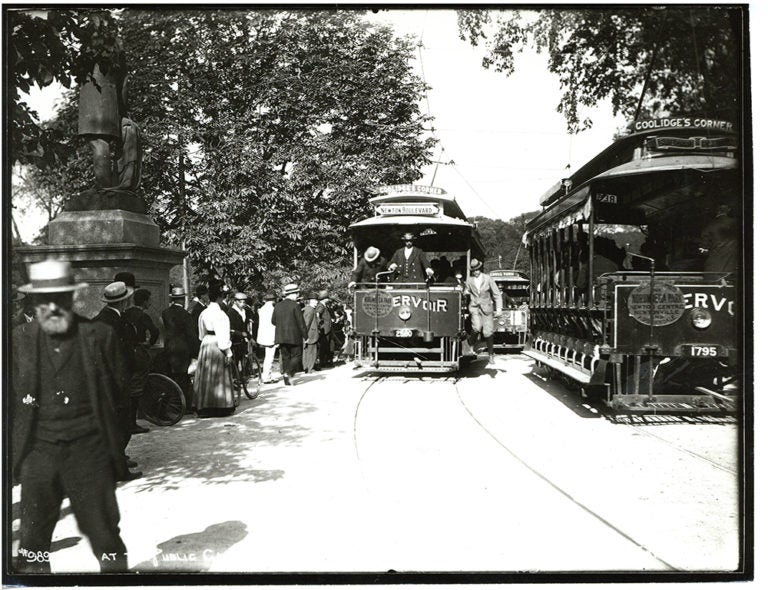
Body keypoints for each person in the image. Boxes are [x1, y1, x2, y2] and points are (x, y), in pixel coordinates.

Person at [12, 260, 129, 573]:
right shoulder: (18, 340)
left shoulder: (99, 336)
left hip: (89, 451)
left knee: (106, 536)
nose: (52, 308)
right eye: (44, 300)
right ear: (34, 301)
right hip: (38, 453)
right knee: (33, 542)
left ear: (72, 297)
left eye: (60, 299)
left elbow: (119, 391)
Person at [94, 281, 143, 479]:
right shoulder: (115, 322)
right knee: (122, 423)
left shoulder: (101, 318)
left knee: (117, 421)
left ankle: (118, 458)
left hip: (108, 377)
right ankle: (118, 468)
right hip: (117, 378)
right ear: (124, 301)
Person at [193, 280, 236, 417]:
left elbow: (201, 334)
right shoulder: (221, 315)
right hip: (217, 343)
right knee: (218, 374)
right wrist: (228, 352)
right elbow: (223, 335)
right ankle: (220, 406)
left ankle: (204, 406)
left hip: (206, 343)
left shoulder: (204, 313)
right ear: (219, 297)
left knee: (206, 374)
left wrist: (206, 341)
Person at [162, 287, 198, 413]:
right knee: (183, 378)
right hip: (183, 350)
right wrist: (195, 353)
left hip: (170, 348)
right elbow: (191, 336)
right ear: (182, 299)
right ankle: (183, 406)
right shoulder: (186, 315)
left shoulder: (165, 313)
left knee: (173, 376)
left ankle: (174, 404)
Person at [464, 258, 503, 365]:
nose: (476, 272)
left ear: (480, 269)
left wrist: (499, 308)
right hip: (475, 307)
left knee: (487, 332)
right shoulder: (469, 280)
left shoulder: (488, 279)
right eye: (473, 270)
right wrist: (466, 292)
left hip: (487, 308)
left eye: (477, 270)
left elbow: (496, 294)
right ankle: (470, 346)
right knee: (476, 327)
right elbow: (466, 290)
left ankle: (491, 354)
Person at [272, 283, 308, 386]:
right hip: (294, 336)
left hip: (281, 336)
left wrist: (282, 326)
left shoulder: (277, 305)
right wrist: (306, 336)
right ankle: (288, 372)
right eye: (297, 293)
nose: (297, 295)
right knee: (297, 355)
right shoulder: (295, 305)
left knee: (285, 357)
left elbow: (273, 321)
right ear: (293, 294)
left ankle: (286, 380)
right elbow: (301, 323)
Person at [701, 205, 739, 273]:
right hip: (732, 263)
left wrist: (703, 249)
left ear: (717, 212)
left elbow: (704, 245)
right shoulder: (736, 223)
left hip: (715, 264)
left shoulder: (711, 224)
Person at [228, 292, 254, 374]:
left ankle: (244, 373)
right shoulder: (231, 312)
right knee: (235, 360)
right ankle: (235, 376)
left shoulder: (245, 311)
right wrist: (240, 333)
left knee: (244, 358)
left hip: (243, 340)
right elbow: (230, 328)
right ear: (235, 301)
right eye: (240, 301)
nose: (242, 303)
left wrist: (250, 337)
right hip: (234, 339)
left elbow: (245, 327)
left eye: (244, 302)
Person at [256, 292, 278, 383]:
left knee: (267, 356)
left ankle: (266, 375)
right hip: (271, 335)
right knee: (270, 357)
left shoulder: (261, 309)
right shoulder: (273, 309)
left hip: (263, 335)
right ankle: (266, 376)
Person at [303, 294, 320, 373]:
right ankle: (310, 368)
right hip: (311, 334)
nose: (317, 302)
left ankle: (307, 368)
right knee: (311, 352)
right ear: (311, 301)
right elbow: (307, 323)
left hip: (309, 333)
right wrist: (305, 335)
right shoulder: (310, 310)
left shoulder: (308, 309)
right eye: (316, 300)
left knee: (308, 351)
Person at [316, 289, 333, 367]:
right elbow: (317, 315)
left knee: (326, 346)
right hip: (324, 330)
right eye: (327, 298)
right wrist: (321, 325)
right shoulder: (321, 306)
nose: (328, 299)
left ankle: (324, 361)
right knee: (323, 346)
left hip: (326, 329)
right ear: (324, 298)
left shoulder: (323, 306)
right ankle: (322, 362)